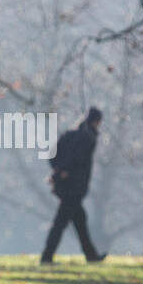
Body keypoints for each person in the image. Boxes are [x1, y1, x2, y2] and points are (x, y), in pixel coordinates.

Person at [40, 107, 107, 264]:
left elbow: (52, 155)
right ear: (96, 121)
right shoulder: (86, 137)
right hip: (73, 188)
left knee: (80, 220)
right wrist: (64, 171)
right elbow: (76, 158)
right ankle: (47, 257)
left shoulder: (70, 135)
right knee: (60, 223)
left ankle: (91, 255)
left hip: (67, 187)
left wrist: (58, 171)